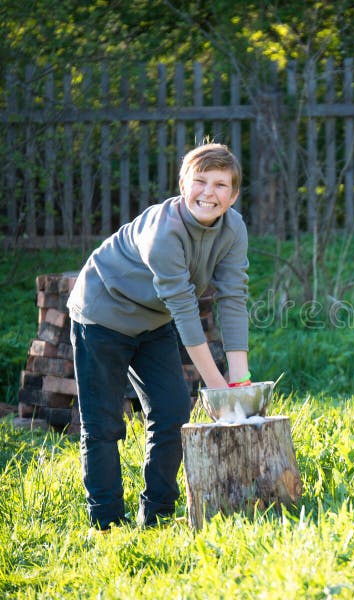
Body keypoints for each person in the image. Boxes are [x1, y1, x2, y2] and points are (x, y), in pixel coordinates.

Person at [68, 142, 251, 530]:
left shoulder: (233, 228)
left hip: (152, 322)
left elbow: (233, 298)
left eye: (220, 185)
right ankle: (106, 524)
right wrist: (219, 393)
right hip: (102, 315)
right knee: (102, 425)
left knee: (171, 413)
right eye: (200, 181)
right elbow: (186, 309)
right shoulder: (164, 234)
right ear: (183, 185)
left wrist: (241, 383)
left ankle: (157, 515)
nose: (209, 193)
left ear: (233, 196)